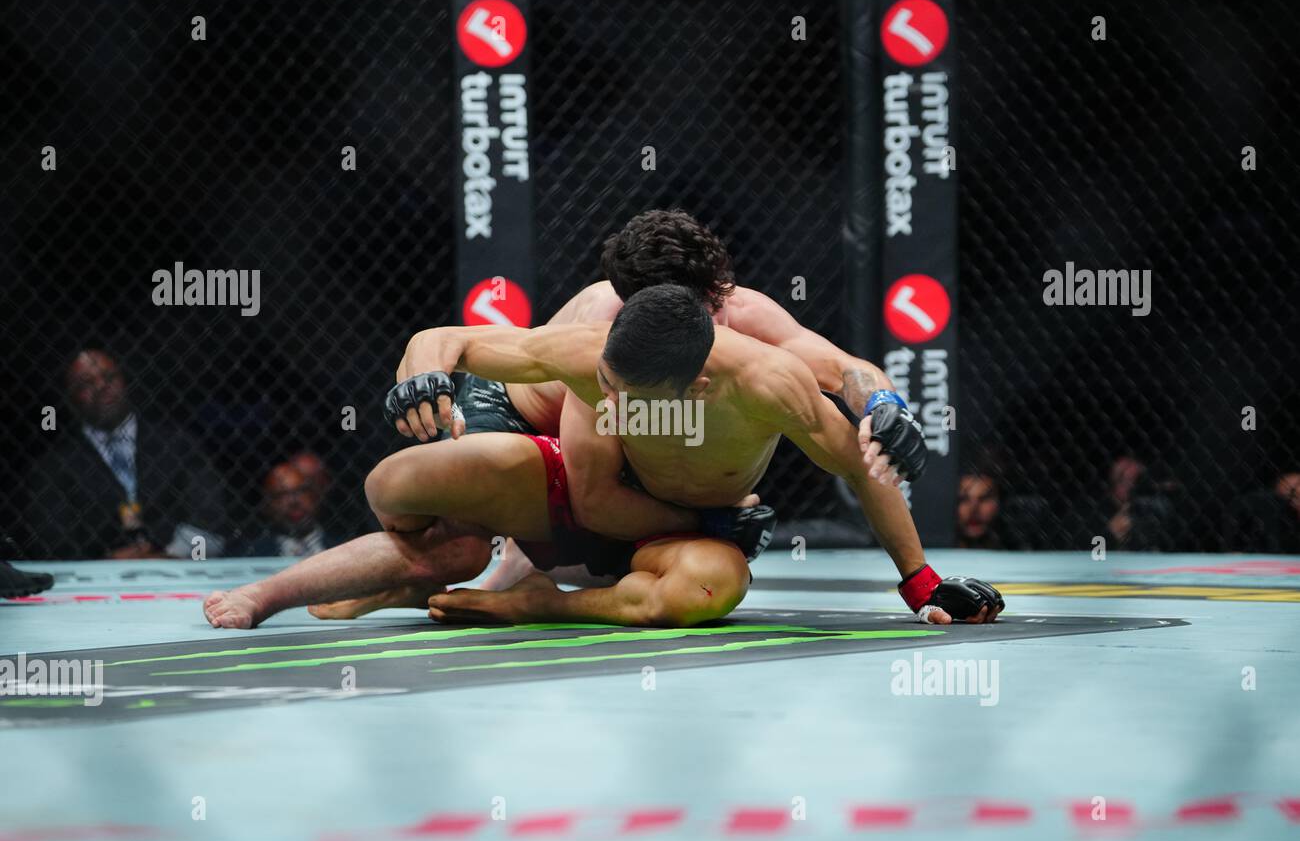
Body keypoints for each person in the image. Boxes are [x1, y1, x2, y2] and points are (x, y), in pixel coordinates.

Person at [204, 284, 1002, 629]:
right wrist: (420, 379)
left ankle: (527, 602)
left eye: (631, 391)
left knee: (708, 588)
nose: (608, 395)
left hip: (655, 530)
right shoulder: (597, 345)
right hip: (589, 501)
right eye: (607, 378)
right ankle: (277, 592)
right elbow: (455, 339)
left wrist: (920, 580)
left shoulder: (766, 376)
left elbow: (861, 451)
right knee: (425, 511)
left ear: (694, 377)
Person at [24, 349, 230, 560]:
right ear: (71, 397)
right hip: (97, 577)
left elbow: (211, 516)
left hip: (179, 565)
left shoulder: (177, 442)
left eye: (109, 377)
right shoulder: (55, 464)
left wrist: (167, 555)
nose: (101, 387)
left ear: (124, 381)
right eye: (86, 383)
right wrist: (108, 561)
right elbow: (53, 543)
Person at [239, 462, 343, 557]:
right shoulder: (251, 553)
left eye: (301, 491)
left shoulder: (344, 547)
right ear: (266, 506)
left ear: (315, 495)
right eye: (281, 495)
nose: (293, 501)